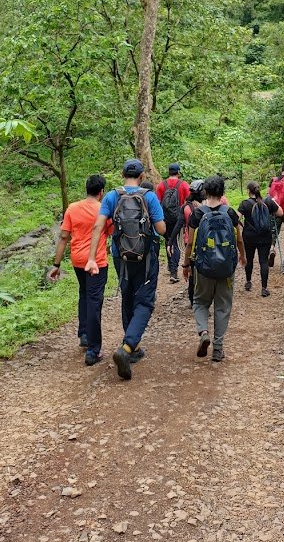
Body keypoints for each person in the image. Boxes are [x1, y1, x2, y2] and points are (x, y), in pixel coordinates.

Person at [86, 159, 166, 381]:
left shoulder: (112, 196)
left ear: (122, 175)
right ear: (142, 176)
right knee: (145, 301)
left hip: (120, 256)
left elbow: (98, 226)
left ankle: (134, 347)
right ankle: (128, 347)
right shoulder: (149, 197)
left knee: (127, 295)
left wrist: (91, 258)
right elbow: (161, 228)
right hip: (145, 257)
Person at [48, 175, 110, 366]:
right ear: (101, 192)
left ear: (86, 189)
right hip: (96, 262)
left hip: (77, 260)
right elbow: (111, 232)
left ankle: (84, 333)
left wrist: (56, 264)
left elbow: (64, 237)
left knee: (84, 294)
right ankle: (93, 350)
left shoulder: (72, 208)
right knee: (94, 300)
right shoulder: (104, 209)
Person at [183, 175, 245, 362]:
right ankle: (218, 349)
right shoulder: (230, 213)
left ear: (205, 192)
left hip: (203, 267)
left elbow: (190, 243)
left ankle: (203, 332)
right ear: (222, 192)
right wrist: (243, 256)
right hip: (226, 267)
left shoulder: (197, 214)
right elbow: (239, 239)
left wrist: (186, 264)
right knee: (223, 306)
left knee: (200, 302)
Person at [238, 182, 282, 297]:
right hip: (265, 236)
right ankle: (264, 288)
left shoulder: (245, 204)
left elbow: (236, 218)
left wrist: (243, 225)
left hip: (249, 236)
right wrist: (274, 202)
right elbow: (280, 213)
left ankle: (248, 282)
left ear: (248, 191)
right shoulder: (268, 201)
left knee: (249, 259)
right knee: (263, 261)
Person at [167, 179, 205, 305]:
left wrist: (170, 241)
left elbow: (179, 225)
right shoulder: (207, 206)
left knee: (192, 270)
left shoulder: (186, 207)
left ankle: (192, 299)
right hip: (206, 243)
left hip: (190, 243)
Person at [156, 163, 190, 283]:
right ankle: (174, 272)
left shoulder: (161, 185)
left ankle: (171, 266)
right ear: (178, 172)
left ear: (169, 172)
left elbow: (158, 203)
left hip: (165, 218)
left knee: (168, 241)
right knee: (175, 242)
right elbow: (188, 202)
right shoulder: (184, 185)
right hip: (178, 218)